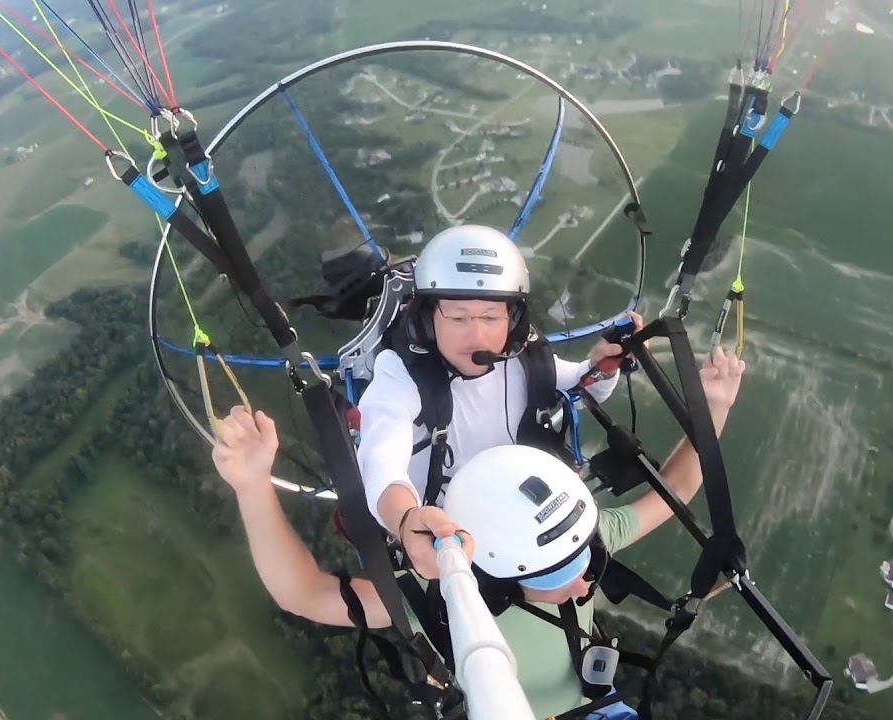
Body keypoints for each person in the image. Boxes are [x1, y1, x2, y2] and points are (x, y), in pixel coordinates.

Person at [212, 347, 746, 720]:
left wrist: (713, 406)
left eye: (587, 566)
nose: (585, 586)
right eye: (563, 576)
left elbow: (673, 489)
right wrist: (251, 484)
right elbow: (303, 594)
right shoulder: (442, 592)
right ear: (494, 566)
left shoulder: (582, 535)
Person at [356, 223, 643, 579]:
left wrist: (602, 366)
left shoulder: (521, 358)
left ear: (514, 319)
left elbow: (581, 392)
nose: (477, 334)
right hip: (447, 537)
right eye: (458, 317)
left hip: (516, 517)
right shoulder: (401, 374)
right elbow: (379, 460)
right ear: (428, 319)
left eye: (491, 317)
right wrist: (405, 520)